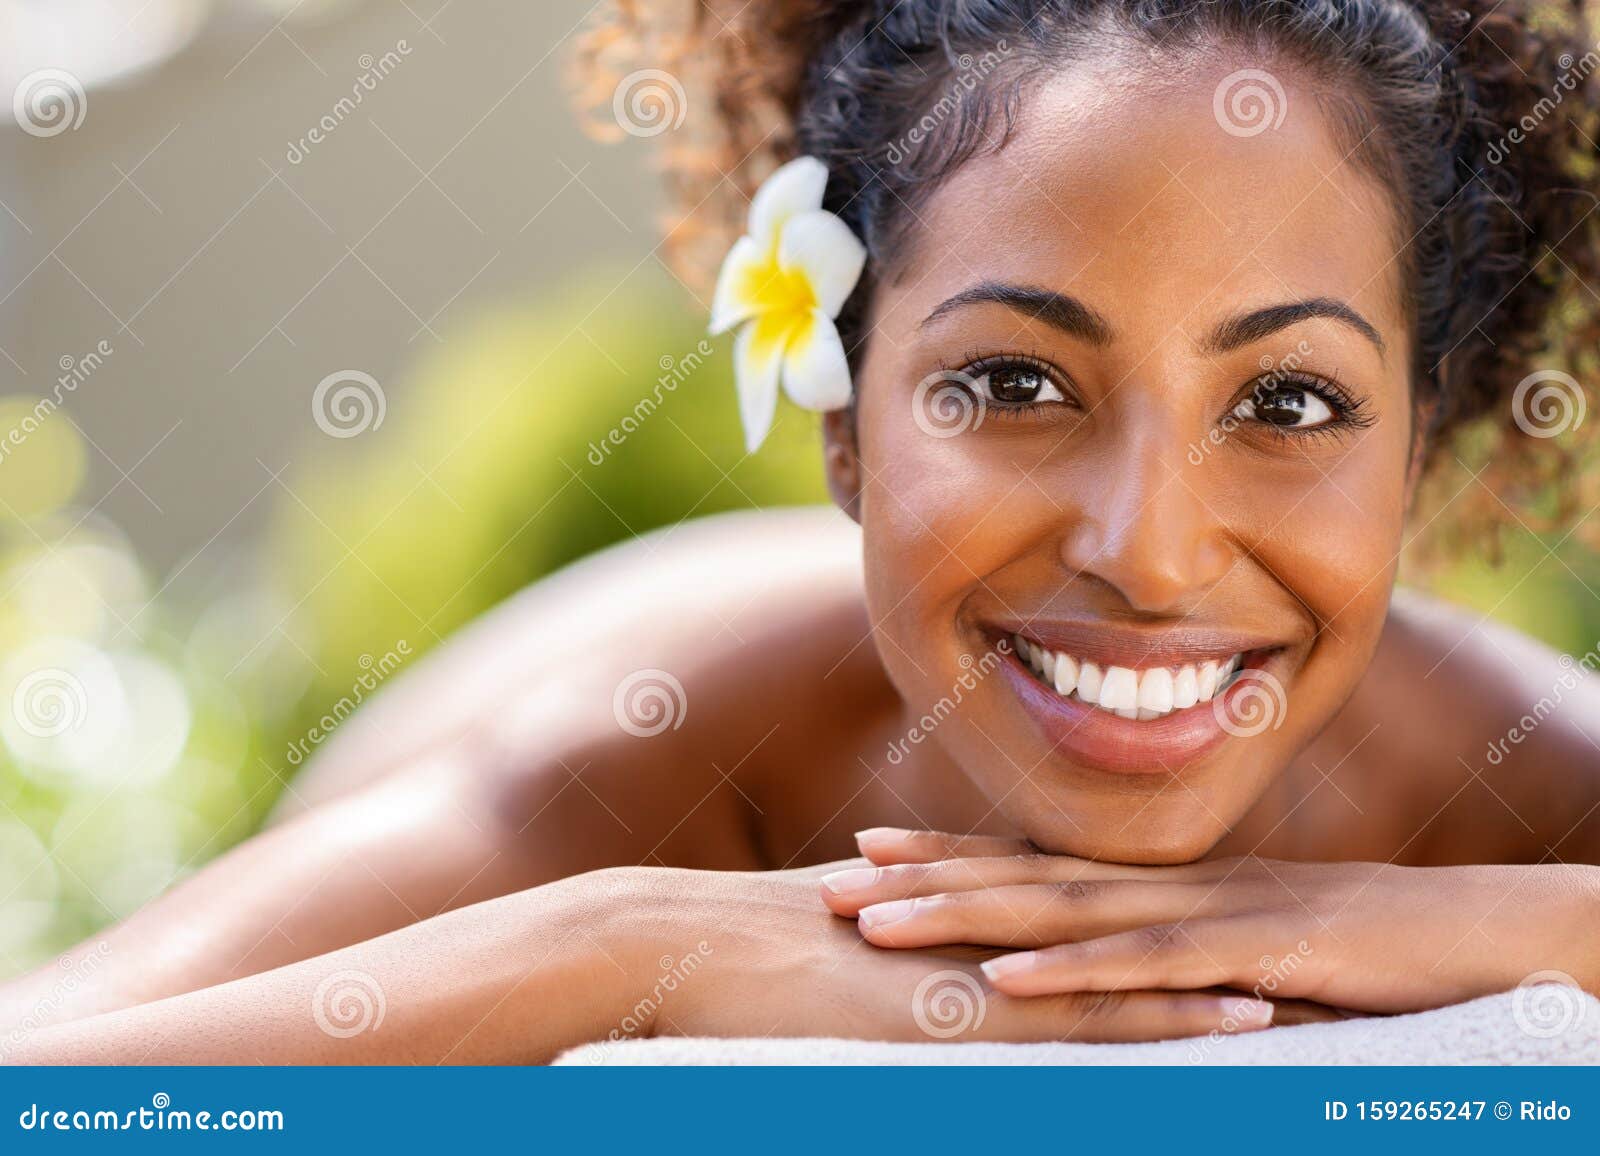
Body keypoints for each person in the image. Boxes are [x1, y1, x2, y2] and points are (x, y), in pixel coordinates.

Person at [5, 0, 1599, 1063]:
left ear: (1423, 439)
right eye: (1017, 380)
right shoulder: (628, 768)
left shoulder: (1537, 788)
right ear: (846, 426)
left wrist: (1533, 919)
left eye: (1293, 405)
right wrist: (628, 944)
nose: (1154, 551)